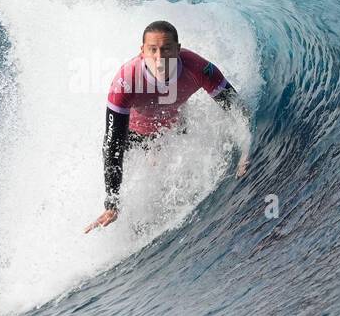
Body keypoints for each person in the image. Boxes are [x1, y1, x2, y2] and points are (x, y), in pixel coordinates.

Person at [83, 20, 250, 233]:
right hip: (133, 137)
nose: (160, 57)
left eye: (166, 49)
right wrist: (111, 204)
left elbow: (238, 110)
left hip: (173, 130)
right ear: (142, 51)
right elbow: (112, 143)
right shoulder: (125, 81)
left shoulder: (199, 68)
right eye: (152, 50)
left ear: (178, 50)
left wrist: (246, 149)